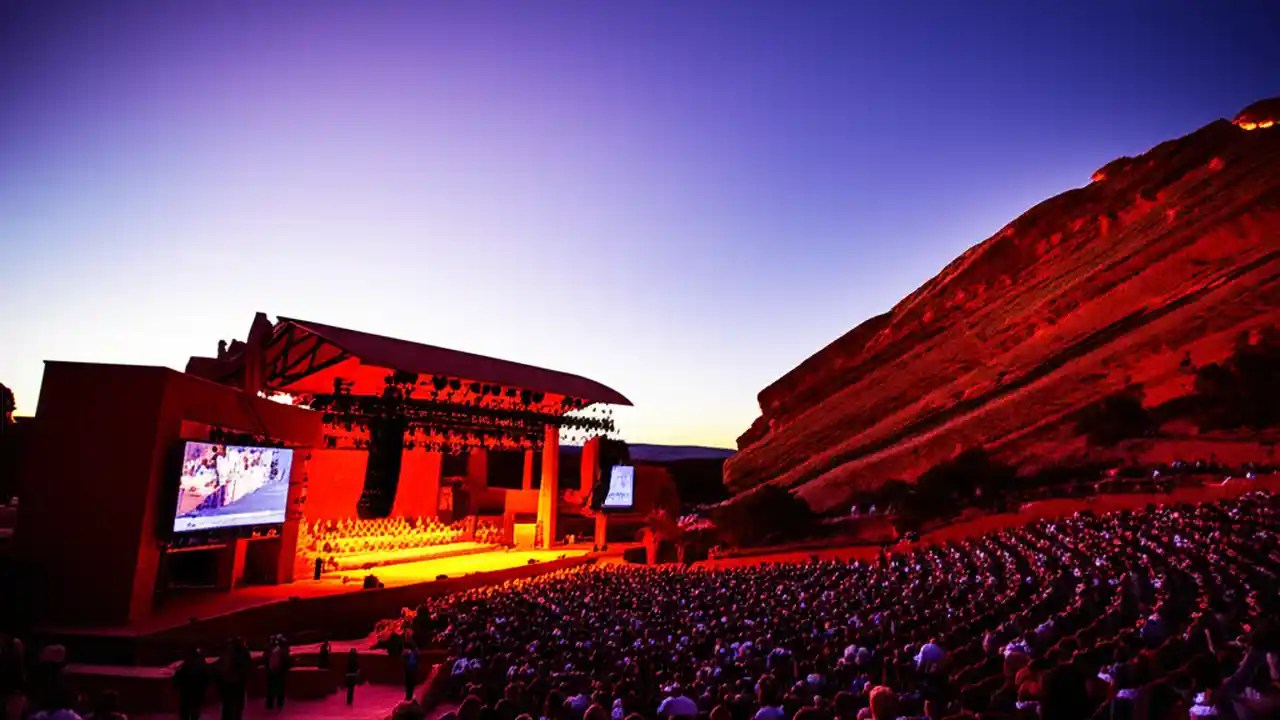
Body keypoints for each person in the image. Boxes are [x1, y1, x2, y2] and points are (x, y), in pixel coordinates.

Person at [216, 639, 251, 720]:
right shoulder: (244, 653)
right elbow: (248, 667)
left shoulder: (227, 653)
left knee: (227, 705)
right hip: (239, 683)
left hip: (227, 683)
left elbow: (220, 668)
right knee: (238, 707)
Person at [173, 648, 208, 720]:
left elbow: (178, 679)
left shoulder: (184, 667)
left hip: (187, 694)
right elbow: (205, 680)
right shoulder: (200, 667)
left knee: (186, 712)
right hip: (195, 694)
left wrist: (175, 686)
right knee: (193, 712)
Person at [264, 636, 290, 710]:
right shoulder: (282, 650)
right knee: (279, 688)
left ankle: (270, 704)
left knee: (271, 688)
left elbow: (265, 658)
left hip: (271, 671)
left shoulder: (270, 649)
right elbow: (286, 660)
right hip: (279, 671)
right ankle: (279, 703)